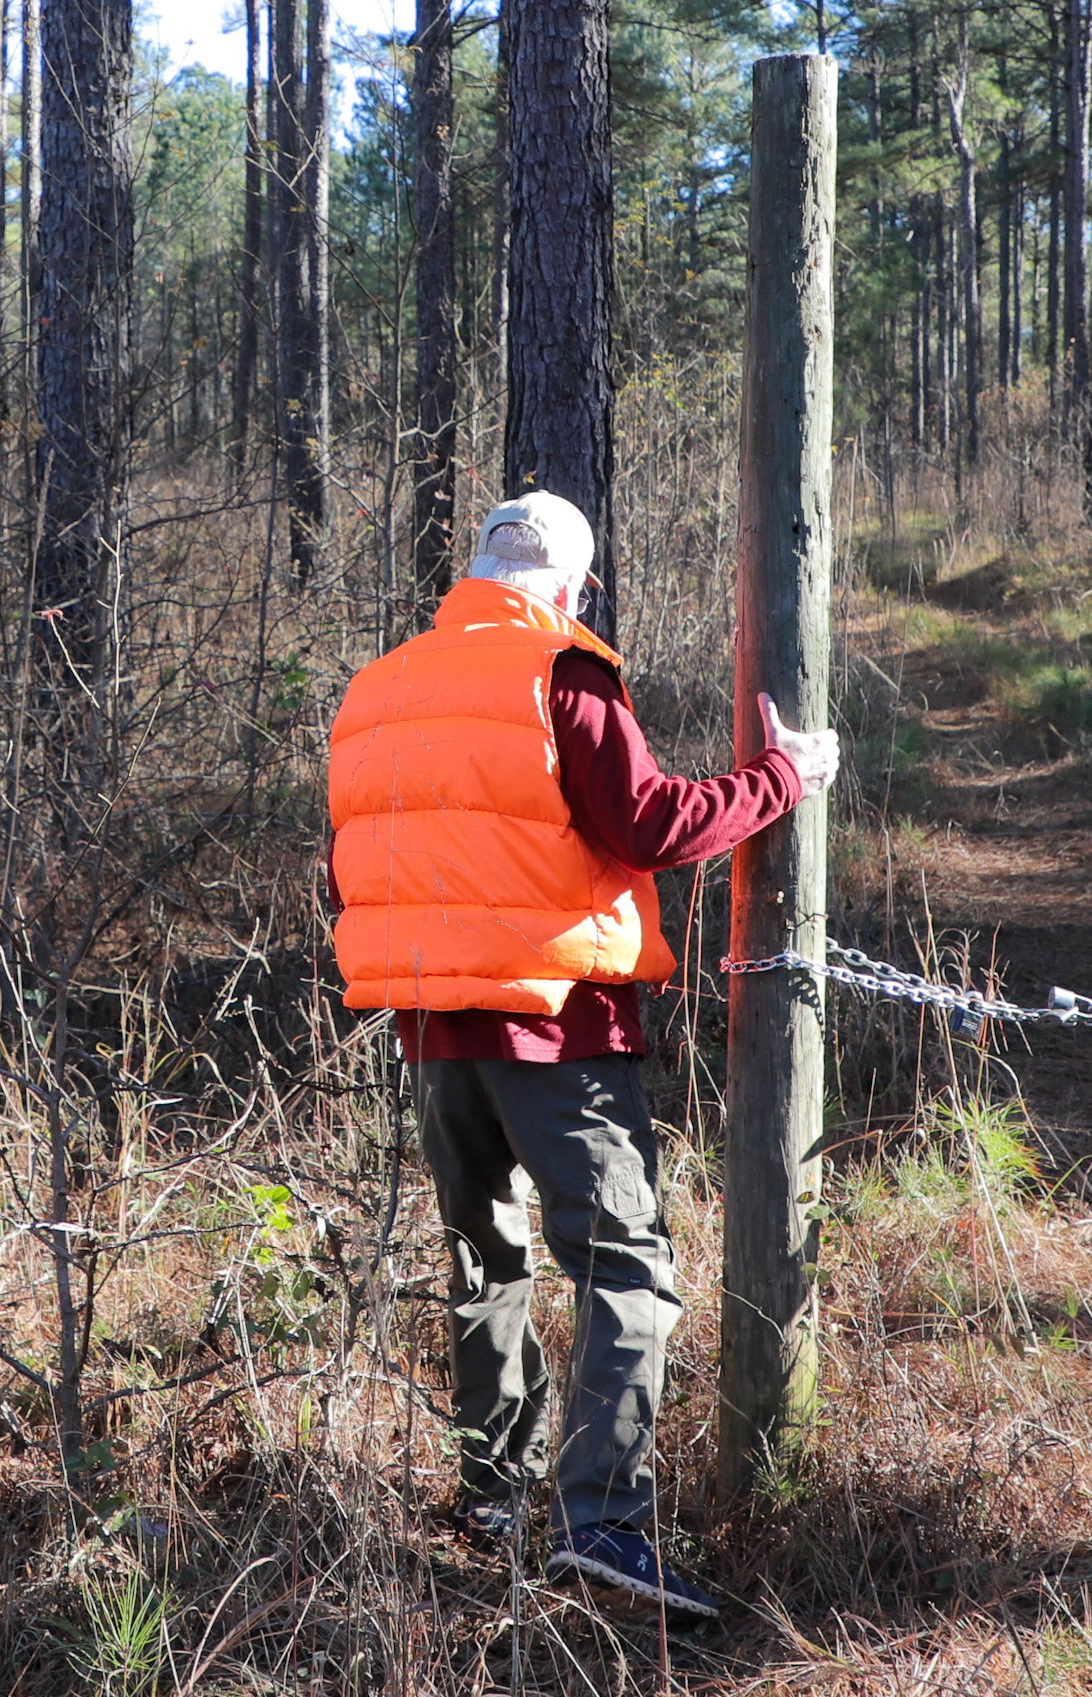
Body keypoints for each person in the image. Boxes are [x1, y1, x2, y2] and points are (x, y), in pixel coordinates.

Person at [324, 491, 843, 1622]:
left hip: (425, 1029)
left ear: (476, 569)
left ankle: (495, 1495)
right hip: (553, 1025)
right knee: (628, 1270)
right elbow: (648, 823)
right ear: (573, 585)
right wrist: (782, 779)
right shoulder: (561, 670)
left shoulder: (379, 691)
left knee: (485, 1256)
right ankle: (602, 1524)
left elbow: (348, 872)